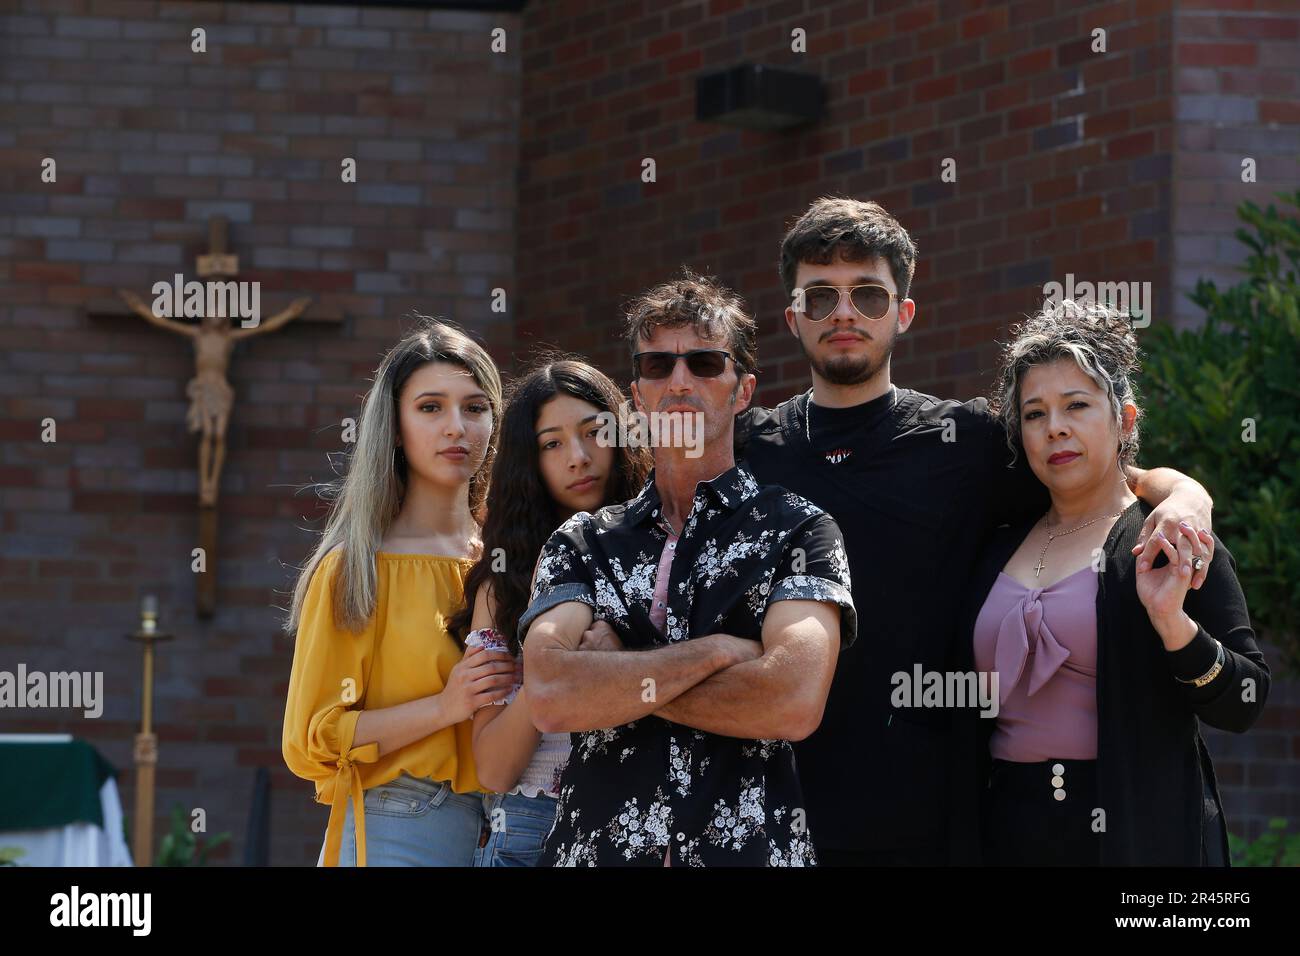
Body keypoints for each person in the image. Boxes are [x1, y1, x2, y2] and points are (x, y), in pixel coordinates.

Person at [735, 196, 1217, 864]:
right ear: (792, 316)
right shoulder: (745, 452)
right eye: (820, 297)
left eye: (868, 295)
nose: (844, 314)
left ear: (903, 313)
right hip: (768, 806)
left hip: (934, 818)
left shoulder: (966, 443)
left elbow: (1098, 474)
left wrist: (1186, 496)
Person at [518, 271, 857, 866]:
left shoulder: (799, 530)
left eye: (703, 363)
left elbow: (791, 701)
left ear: (743, 389)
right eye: (657, 366)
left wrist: (616, 668)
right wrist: (722, 651)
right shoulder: (583, 540)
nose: (678, 381)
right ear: (637, 393)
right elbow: (549, 693)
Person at [954, 300, 1268, 865]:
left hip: (1133, 834)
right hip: (1006, 831)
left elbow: (1244, 701)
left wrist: (1173, 623)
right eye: (1034, 414)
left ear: (1123, 420)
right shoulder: (996, 542)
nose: (1055, 428)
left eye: (1077, 405)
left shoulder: (1169, 536)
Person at [281, 318, 518, 866]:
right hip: (400, 821)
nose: (456, 427)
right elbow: (313, 738)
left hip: (508, 830)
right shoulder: (356, 567)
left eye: (475, 407)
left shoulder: (511, 563)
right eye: (431, 407)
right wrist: (445, 706)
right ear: (394, 425)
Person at [446, 358, 652, 866]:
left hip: (646, 823)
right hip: (532, 829)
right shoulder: (505, 581)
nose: (578, 458)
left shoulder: (668, 548)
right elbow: (493, 768)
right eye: (552, 444)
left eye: (592, 432)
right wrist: (555, 671)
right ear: (530, 462)